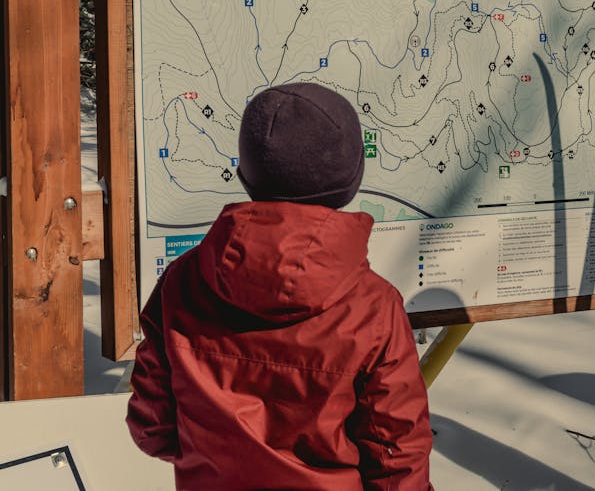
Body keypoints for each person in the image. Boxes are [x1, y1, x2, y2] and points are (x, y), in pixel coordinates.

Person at [127, 82, 433, 490]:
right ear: (352, 178)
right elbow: (398, 456)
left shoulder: (183, 282)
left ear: (246, 175)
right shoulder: (373, 307)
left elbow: (151, 428)